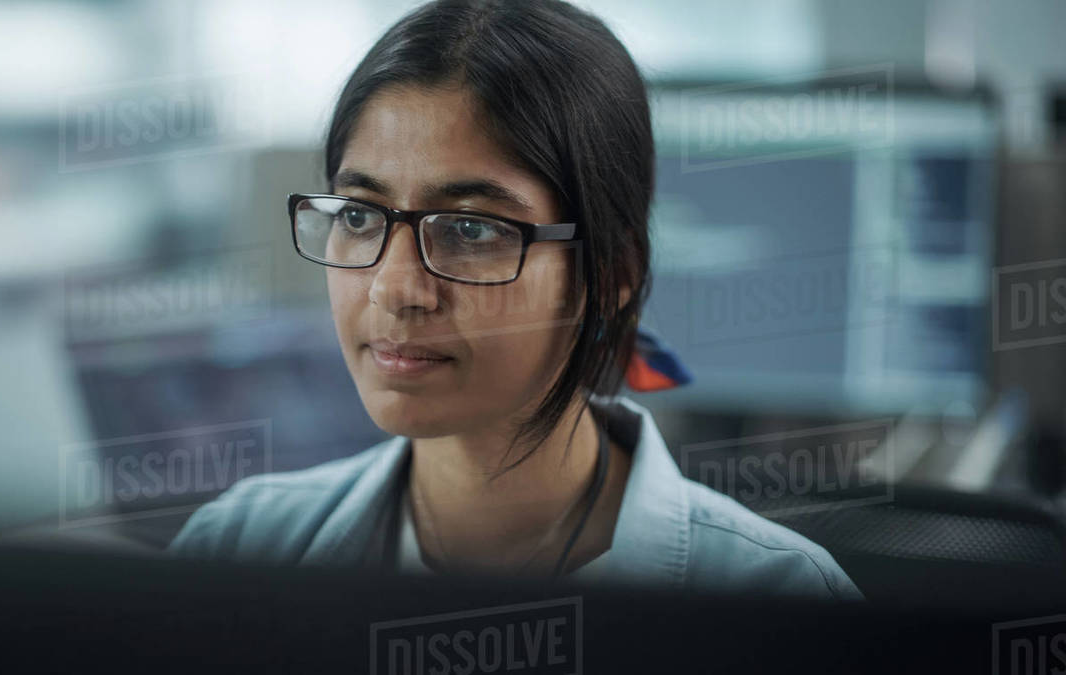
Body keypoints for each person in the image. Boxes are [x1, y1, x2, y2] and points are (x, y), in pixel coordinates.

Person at [170, 0, 862, 601]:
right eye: (358, 216)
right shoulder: (236, 550)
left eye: (470, 229)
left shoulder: (777, 597)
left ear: (611, 273)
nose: (395, 288)